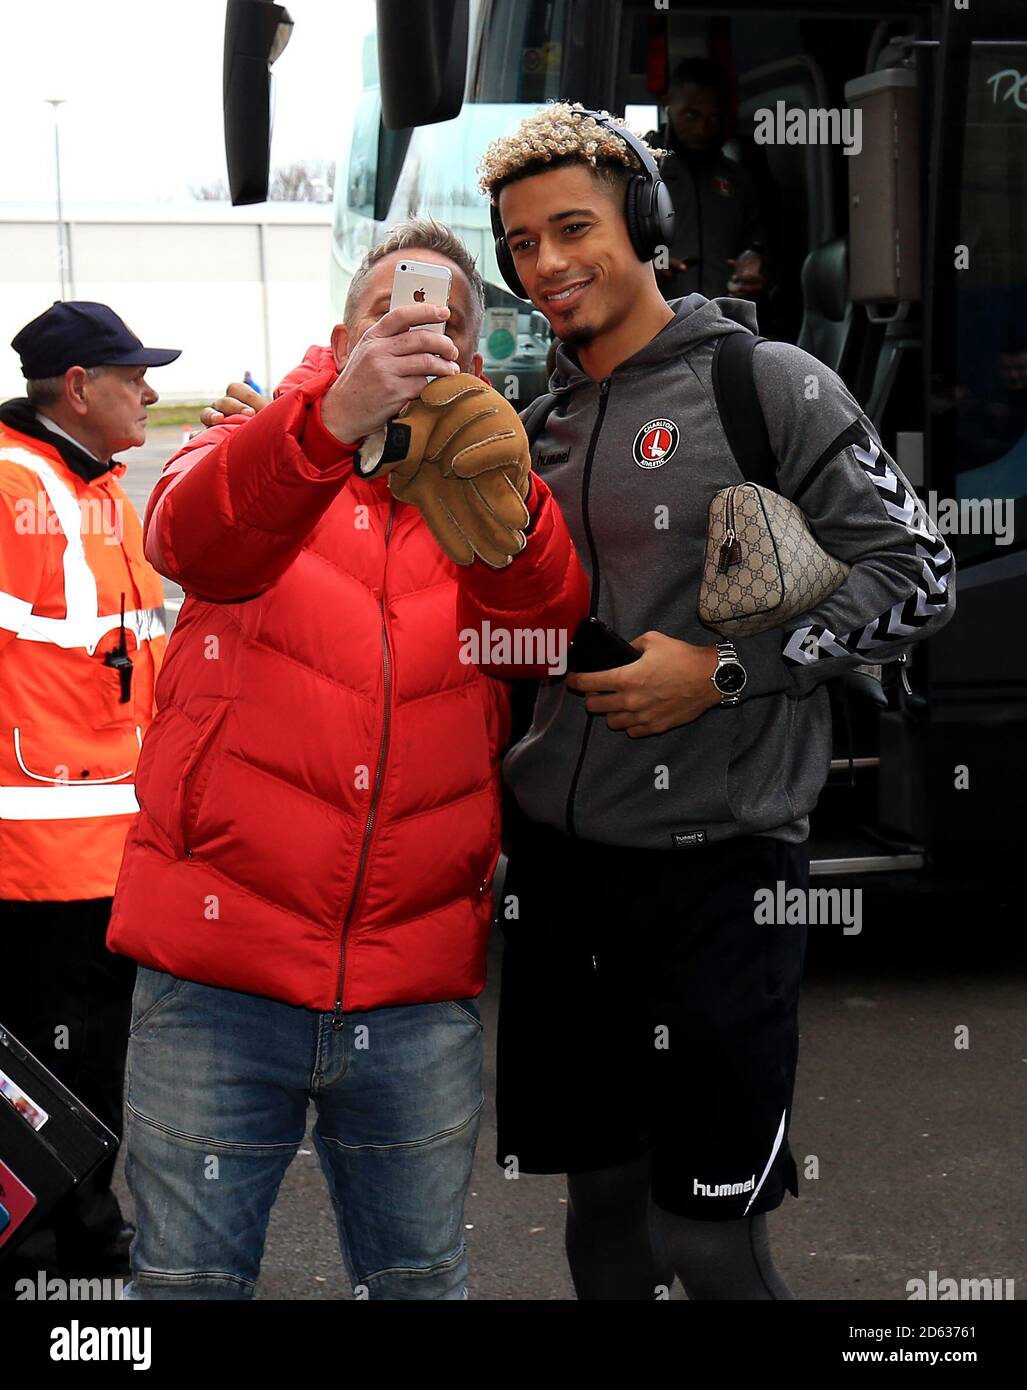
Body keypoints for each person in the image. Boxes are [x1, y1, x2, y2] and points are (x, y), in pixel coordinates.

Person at [473, 102, 955, 1300]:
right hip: (562, 878)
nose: (547, 264)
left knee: (706, 1240)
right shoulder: (538, 427)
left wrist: (726, 670)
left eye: (573, 228)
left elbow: (921, 576)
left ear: (645, 226)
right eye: (522, 244)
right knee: (601, 1224)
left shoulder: (764, 383)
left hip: (715, 879)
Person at [105, 218, 587, 1301]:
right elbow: (189, 538)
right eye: (392, 308)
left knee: (418, 1282)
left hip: (413, 988)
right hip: (215, 978)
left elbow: (543, 631)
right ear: (341, 333)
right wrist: (326, 428)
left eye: (447, 324)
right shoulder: (250, 441)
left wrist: (505, 491)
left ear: (472, 355)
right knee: (185, 1285)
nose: (417, 334)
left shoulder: (486, 471)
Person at [0, 301, 177, 1295]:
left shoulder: (97, 488)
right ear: (78, 386)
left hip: (104, 846)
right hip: (34, 858)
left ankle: (83, 1235)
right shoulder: (15, 487)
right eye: (132, 374)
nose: (148, 391)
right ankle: (42, 1259)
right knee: (39, 1072)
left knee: (87, 1066)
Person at [651, 58, 769, 305]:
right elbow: (614, 248)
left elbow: (758, 243)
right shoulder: (643, 171)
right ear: (667, 105)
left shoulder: (739, 180)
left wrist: (756, 267)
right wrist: (652, 267)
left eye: (713, 118)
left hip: (725, 325)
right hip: (658, 323)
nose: (702, 129)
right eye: (691, 115)